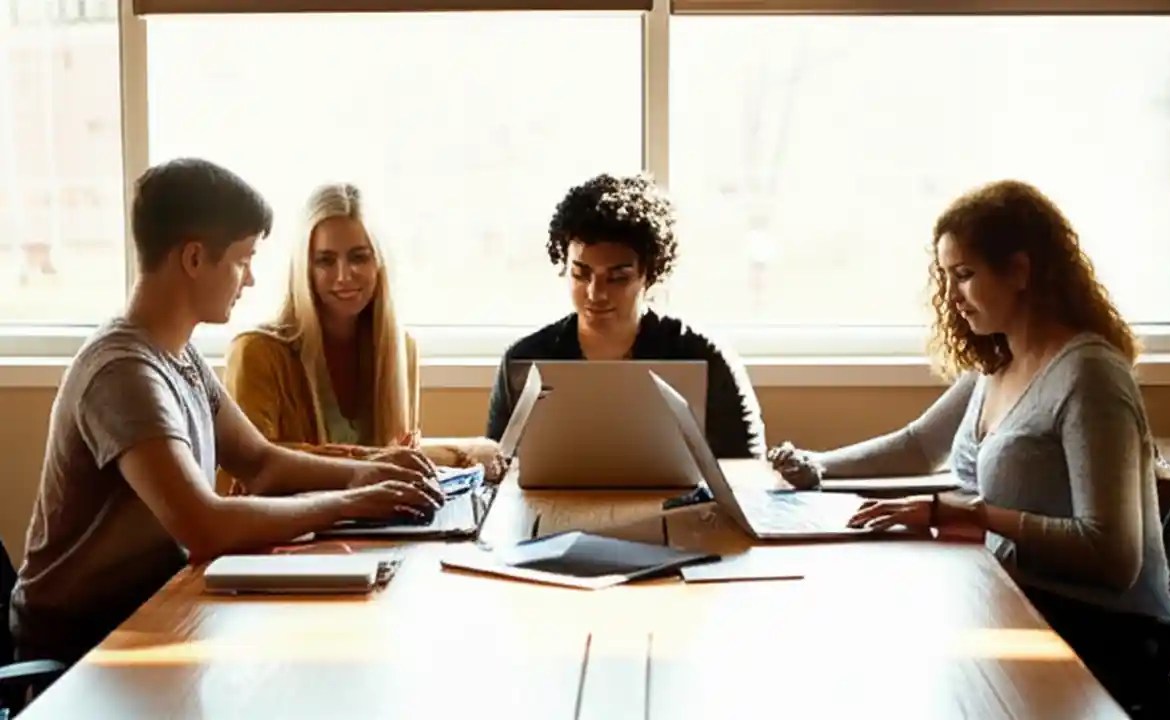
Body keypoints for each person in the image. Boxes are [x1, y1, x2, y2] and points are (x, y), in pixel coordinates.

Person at [9, 159, 442, 665]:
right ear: (194, 258)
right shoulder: (122, 373)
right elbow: (206, 524)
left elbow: (261, 463)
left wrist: (365, 474)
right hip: (85, 649)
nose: (251, 278)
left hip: (158, 614)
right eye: (242, 259)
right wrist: (353, 502)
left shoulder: (178, 355)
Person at [769, 180, 1170, 706]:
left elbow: (1114, 558)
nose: (952, 297)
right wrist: (817, 467)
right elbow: (919, 445)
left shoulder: (1089, 376)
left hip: (1106, 633)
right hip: (1017, 595)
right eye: (946, 278)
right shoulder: (998, 362)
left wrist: (971, 513)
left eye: (964, 275)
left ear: (1021, 271)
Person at [223, 183, 503, 487]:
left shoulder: (400, 349)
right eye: (325, 261)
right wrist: (450, 454)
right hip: (287, 530)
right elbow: (254, 470)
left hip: (373, 527)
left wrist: (468, 452)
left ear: (379, 262)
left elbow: (397, 457)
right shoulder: (257, 351)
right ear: (304, 269)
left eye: (359, 257)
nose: (344, 275)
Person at [486, 172, 765, 459]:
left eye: (617, 278)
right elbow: (494, 473)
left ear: (649, 274)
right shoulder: (525, 359)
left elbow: (747, 467)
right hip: (549, 505)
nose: (595, 293)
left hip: (679, 505)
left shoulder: (702, 355)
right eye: (581, 274)